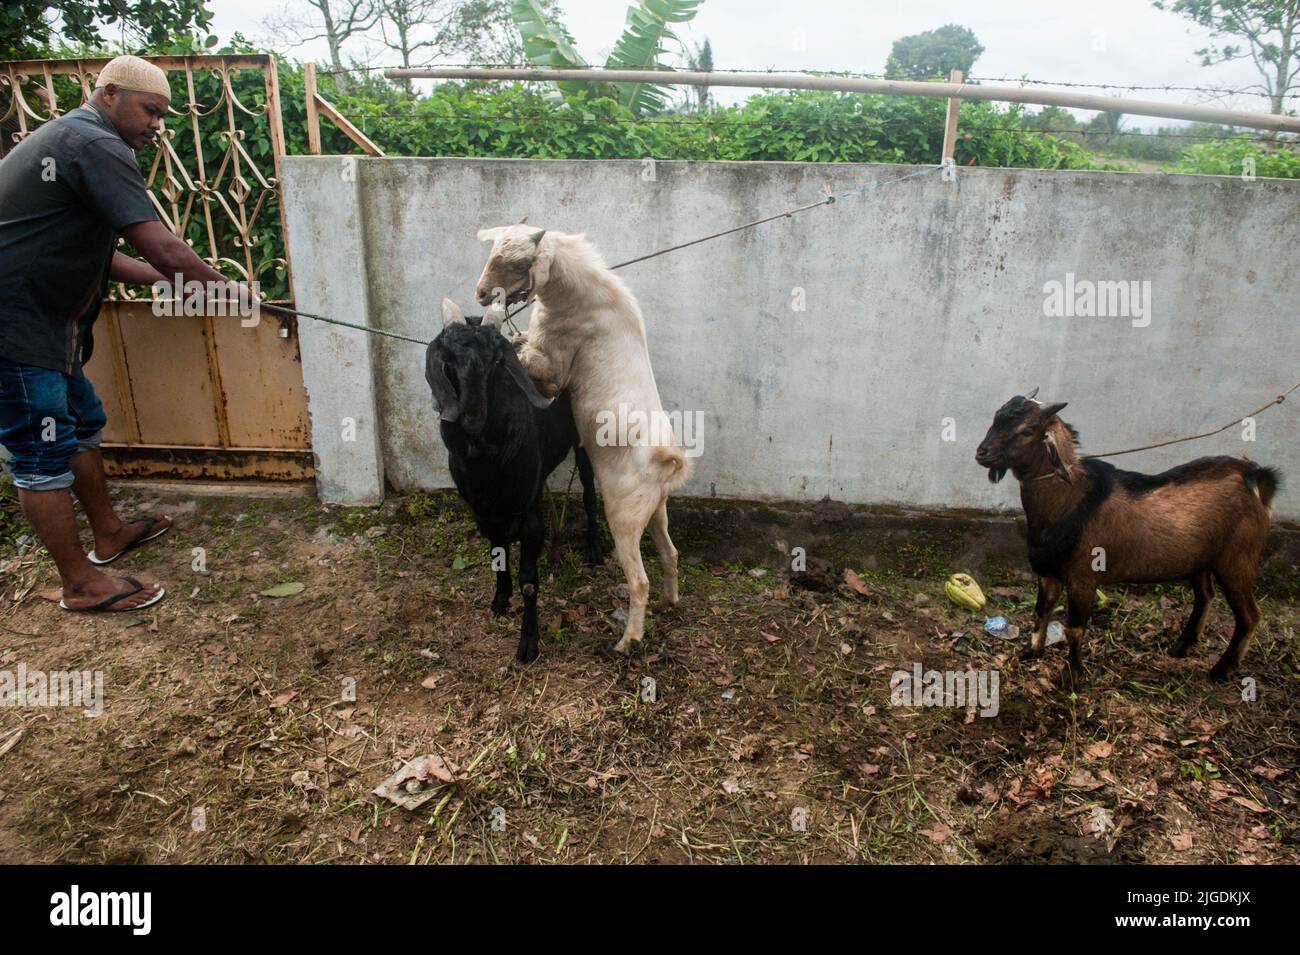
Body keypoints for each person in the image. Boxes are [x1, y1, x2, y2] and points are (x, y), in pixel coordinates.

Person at [0, 55, 252, 612]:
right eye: (150, 111)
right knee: (40, 455)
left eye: (163, 115)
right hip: (16, 326)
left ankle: (108, 534)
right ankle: (81, 585)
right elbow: (158, 244)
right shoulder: (92, 144)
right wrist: (223, 288)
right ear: (110, 94)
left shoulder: (75, 141)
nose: (156, 124)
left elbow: (106, 256)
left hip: (49, 325)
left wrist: (183, 285)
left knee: (83, 422)